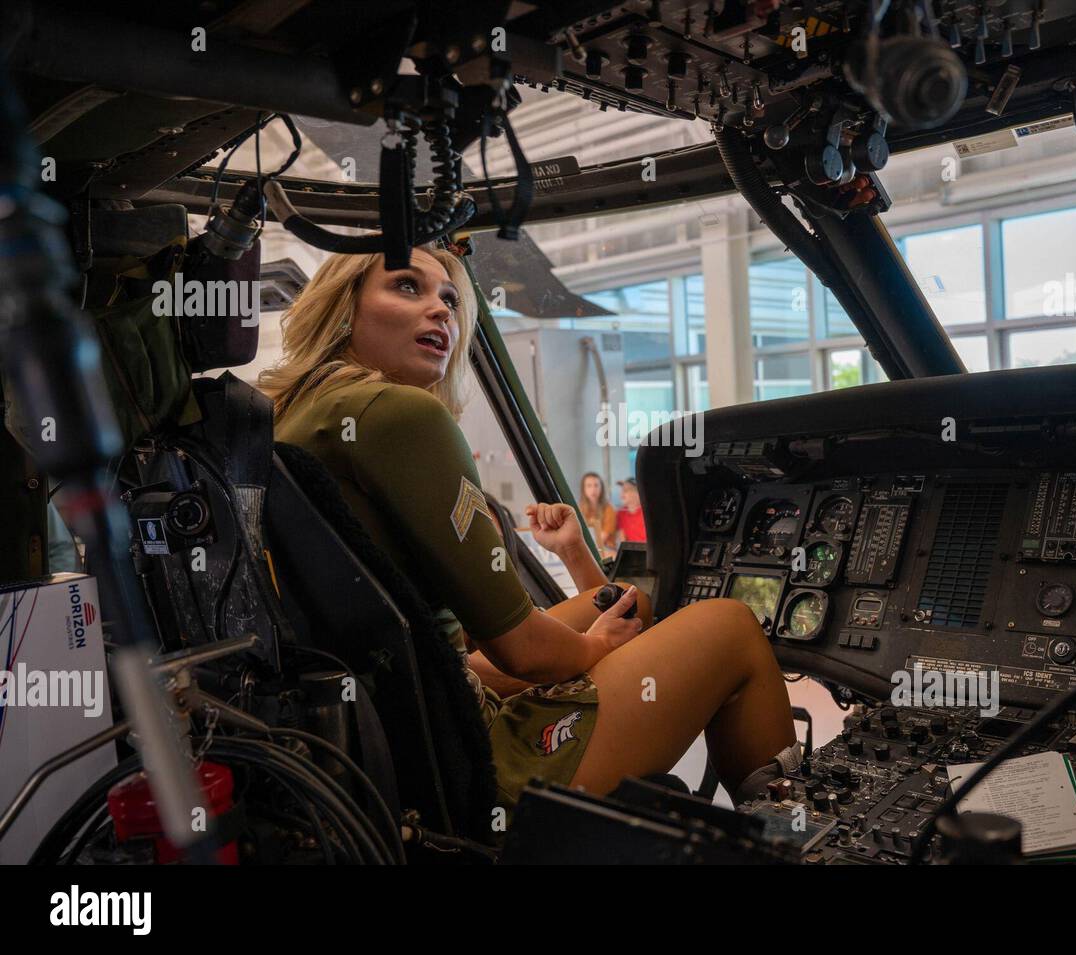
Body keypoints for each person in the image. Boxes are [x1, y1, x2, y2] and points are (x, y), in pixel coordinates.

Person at [258, 244, 797, 817]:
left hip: (391, 740)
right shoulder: (398, 414)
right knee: (731, 625)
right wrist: (594, 649)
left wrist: (590, 636)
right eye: (407, 287)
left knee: (625, 600)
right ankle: (801, 840)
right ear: (344, 309)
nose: (442, 311)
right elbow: (522, 652)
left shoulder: (290, 415)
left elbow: (432, 635)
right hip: (474, 768)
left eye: (448, 298)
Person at [577, 471, 617, 559]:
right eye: (589, 485)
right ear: (583, 489)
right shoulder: (579, 509)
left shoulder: (609, 509)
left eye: (596, 485)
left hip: (605, 547)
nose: (593, 489)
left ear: (601, 488)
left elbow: (602, 538)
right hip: (586, 546)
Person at [615, 478, 646, 546]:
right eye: (622, 490)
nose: (622, 493)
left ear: (638, 493)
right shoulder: (621, 513)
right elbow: (622, 541)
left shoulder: (646, 512)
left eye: (626, 490)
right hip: (630, 551)